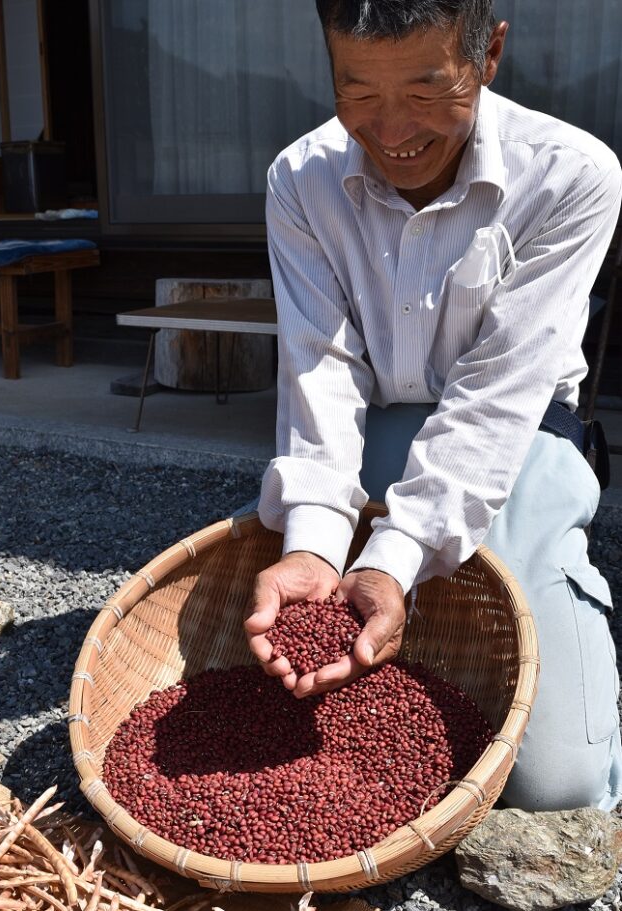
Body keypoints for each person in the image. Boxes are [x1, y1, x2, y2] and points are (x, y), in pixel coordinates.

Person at [243, 0, 622, 812]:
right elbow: (323, 372)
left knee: (562, 785)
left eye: (425, 91)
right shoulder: (300, 178)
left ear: (488, 56)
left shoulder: (571, 173)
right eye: (357, 91)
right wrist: (316, 542)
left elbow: (497, 396)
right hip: (368, 428)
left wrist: (387, 558)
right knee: (263, 706)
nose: (390, 131)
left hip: (517, 438)